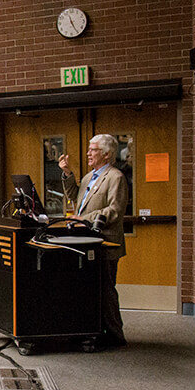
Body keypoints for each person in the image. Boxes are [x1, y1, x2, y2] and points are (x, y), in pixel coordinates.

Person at [59, 134, 129, 347]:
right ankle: (92, 330)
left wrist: (85, 219)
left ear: (107, 154)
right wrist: (67, 174)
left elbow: (114, 211)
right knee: (89, 290)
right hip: (86, 241)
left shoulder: (115, 177)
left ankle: (116, 335)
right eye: (89, 149)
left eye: (93, 150)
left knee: (106, 291)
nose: (88, 153)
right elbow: (76, 198)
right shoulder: (91, 177)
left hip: (105, 243)